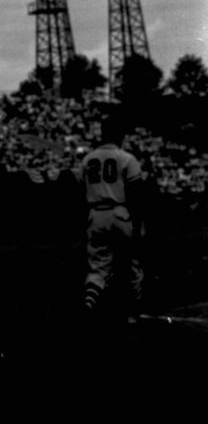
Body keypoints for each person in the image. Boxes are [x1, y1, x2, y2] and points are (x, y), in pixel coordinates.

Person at [78, 111, 145, 320]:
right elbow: (135, 195)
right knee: (131, 264)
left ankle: (89, 305)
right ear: (120, 136)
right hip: (120, 212)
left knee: (98, 266)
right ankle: (133, 314)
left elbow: (80, 194)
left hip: (96, 213)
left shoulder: (88, 159)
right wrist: (138, 223)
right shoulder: (126, 158)